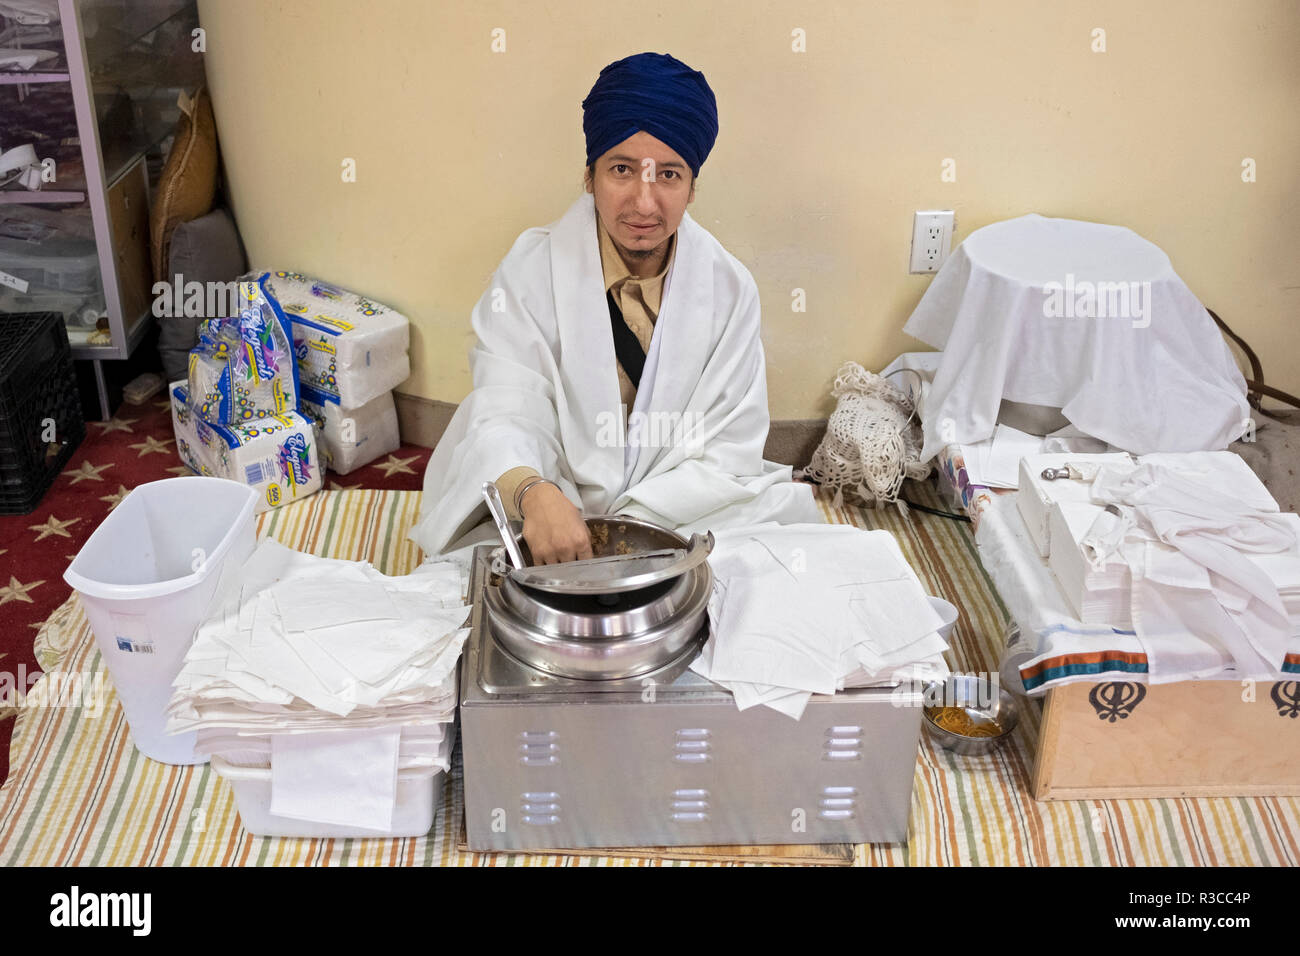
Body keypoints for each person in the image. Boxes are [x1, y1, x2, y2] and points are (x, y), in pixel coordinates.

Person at [410, 51, 819, 563]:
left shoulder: (729, 290)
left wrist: (629, 528)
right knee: (476, 585)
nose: (644, 204)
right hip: (548, 496)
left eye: (668, 175)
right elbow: (507, 409)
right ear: (589, 175)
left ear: (693, 187)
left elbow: (728, 450)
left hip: (679, 508)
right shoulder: (530, 270)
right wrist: (534, 494)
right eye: (622, 169)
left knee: (783, 570)